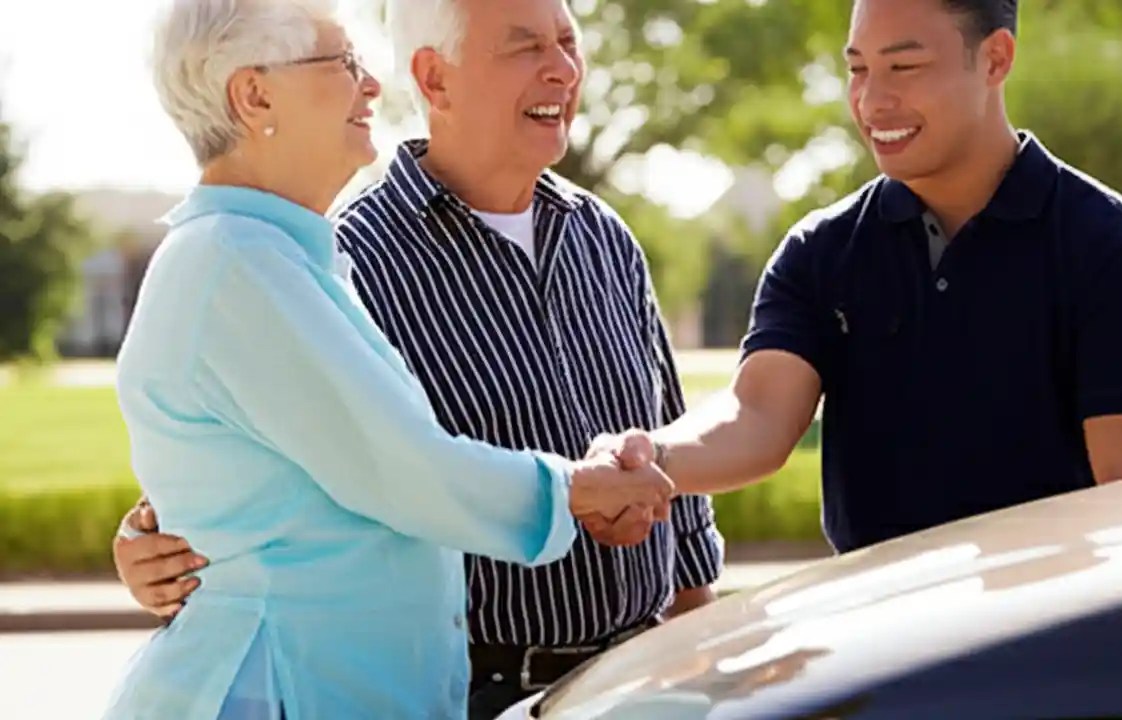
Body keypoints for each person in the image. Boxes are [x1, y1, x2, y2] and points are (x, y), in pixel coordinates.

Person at [111, 0, 724, 717]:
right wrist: (574, 491)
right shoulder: (260, 261)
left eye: (567, 41)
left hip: (615, 672)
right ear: (255, 95)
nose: (371, 85)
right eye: (341, 64)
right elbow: (400, 466)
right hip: (325, 691)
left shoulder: (285, 257)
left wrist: (695, 628)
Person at [596, 0, 1122, 555]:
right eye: (857, 70)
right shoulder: (820, 252)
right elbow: (756, 416)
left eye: (905, 66)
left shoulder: (1114, 251)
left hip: (1042, 649)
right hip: (871, 644)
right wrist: (654, 456)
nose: (873, 101)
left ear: (995, 58)